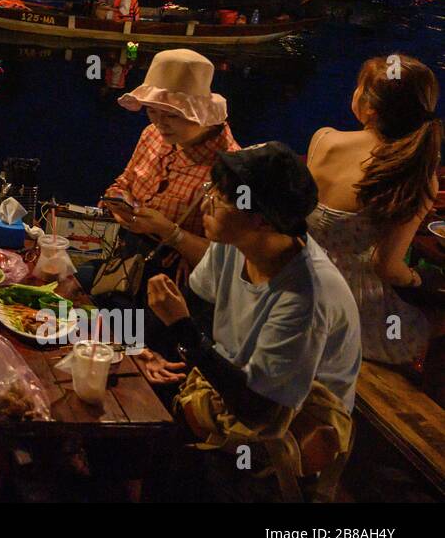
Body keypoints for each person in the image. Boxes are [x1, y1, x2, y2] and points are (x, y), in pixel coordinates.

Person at [145, 143, 361, 462]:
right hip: (236, 382)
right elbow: (198, 312)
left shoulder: (307, 295)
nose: (205, 205)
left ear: (261, 220)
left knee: (149, 441)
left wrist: (182, 330)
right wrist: (150, 355)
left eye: (218, 199)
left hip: (294, 419)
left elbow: (260, 413)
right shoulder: (234, 244)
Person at [306, 54, 444, 373]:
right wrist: (419, 280)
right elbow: (386, 267)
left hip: (305, 285)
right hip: (356, 311)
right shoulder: (416, 173)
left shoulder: (324, 140)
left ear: (370, 108)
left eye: (359, 88)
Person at [98, 49, 242, 309]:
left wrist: (169, 231)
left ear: (201, 112)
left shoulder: (230, 170)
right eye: (152, 111)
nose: (160, 123)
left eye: (173, 115)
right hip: (128, 265)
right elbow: (125, 181)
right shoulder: (152, 135)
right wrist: (118, 202)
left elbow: (229, 264)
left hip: (176, 290)